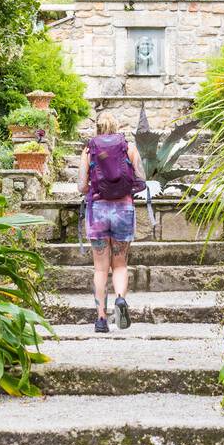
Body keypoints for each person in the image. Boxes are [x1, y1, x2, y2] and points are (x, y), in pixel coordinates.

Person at [78, 112, 146, 332]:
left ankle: (100, 320)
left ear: (98, 128)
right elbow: (142, 179)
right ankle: (120, 299)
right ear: (117, 128)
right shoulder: (129, 148)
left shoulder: (89, 150)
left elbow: (82, 186)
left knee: (100, 269)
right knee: (120, 264)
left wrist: (92, 188)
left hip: (98, 210)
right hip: (123, 209)